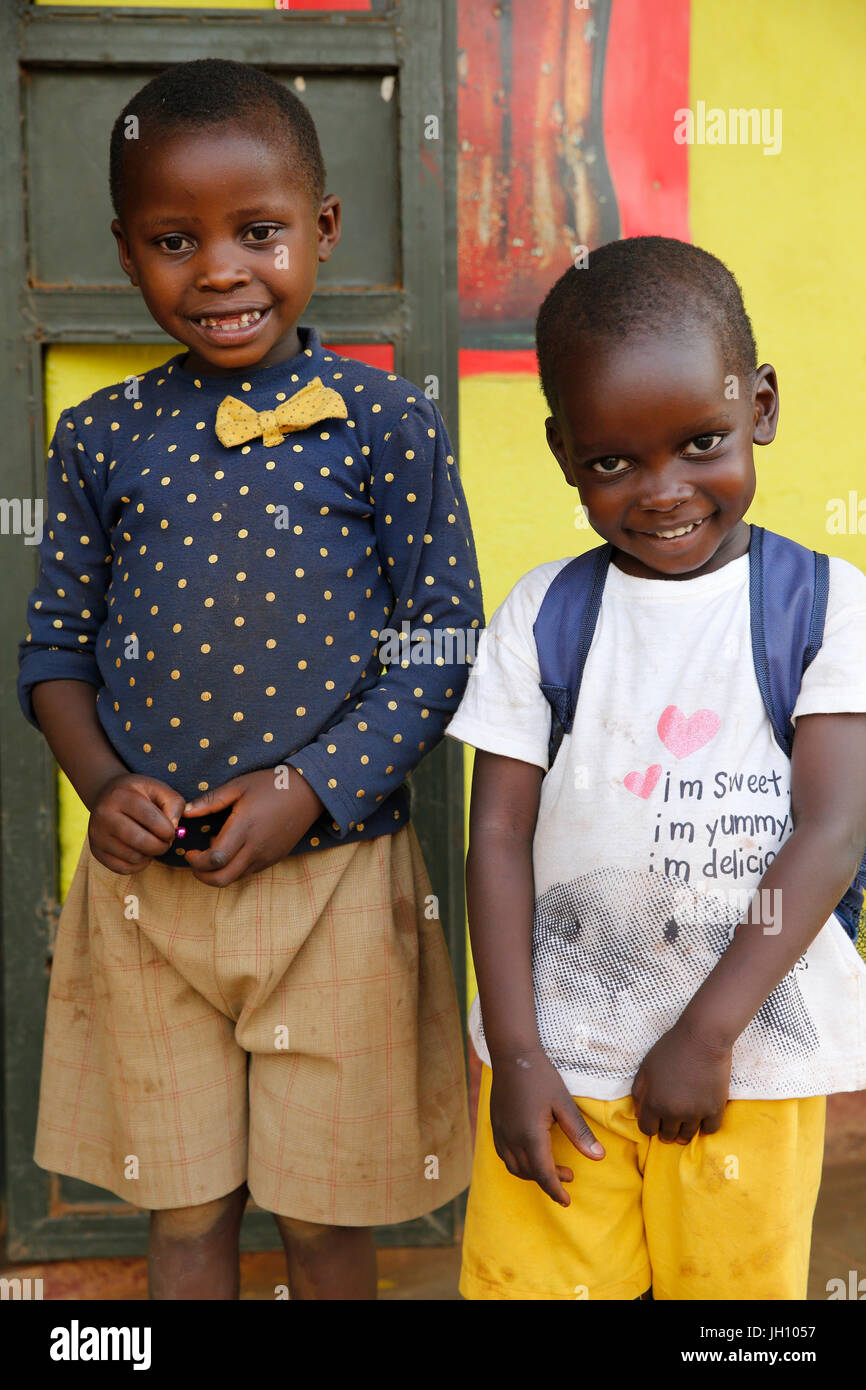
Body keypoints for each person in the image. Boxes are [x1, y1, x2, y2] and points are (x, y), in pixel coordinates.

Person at [18, 58, 482, 1301]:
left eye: (258, 232)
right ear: (129, 253)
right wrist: (104, 782)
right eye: (176, 240)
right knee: (185, 1213)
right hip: (147, 896)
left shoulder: (389, 425)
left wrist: (309, 785)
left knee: (329, 1219)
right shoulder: (100, 436)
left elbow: (441, 640)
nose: (220, 270)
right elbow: (54, 652)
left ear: (321, 231)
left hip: (335, 881)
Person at [445, 236, 866, 1301]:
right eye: (611, 462)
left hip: (748, 1064)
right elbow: (492, 836)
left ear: (760, 405)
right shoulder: (544, 615)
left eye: (699, 442)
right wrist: (514, 1052)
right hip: (565, 1062)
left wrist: (705, 1032)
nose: (662, 490)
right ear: (561, 452)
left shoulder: (822, 606)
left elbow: (832, 832)